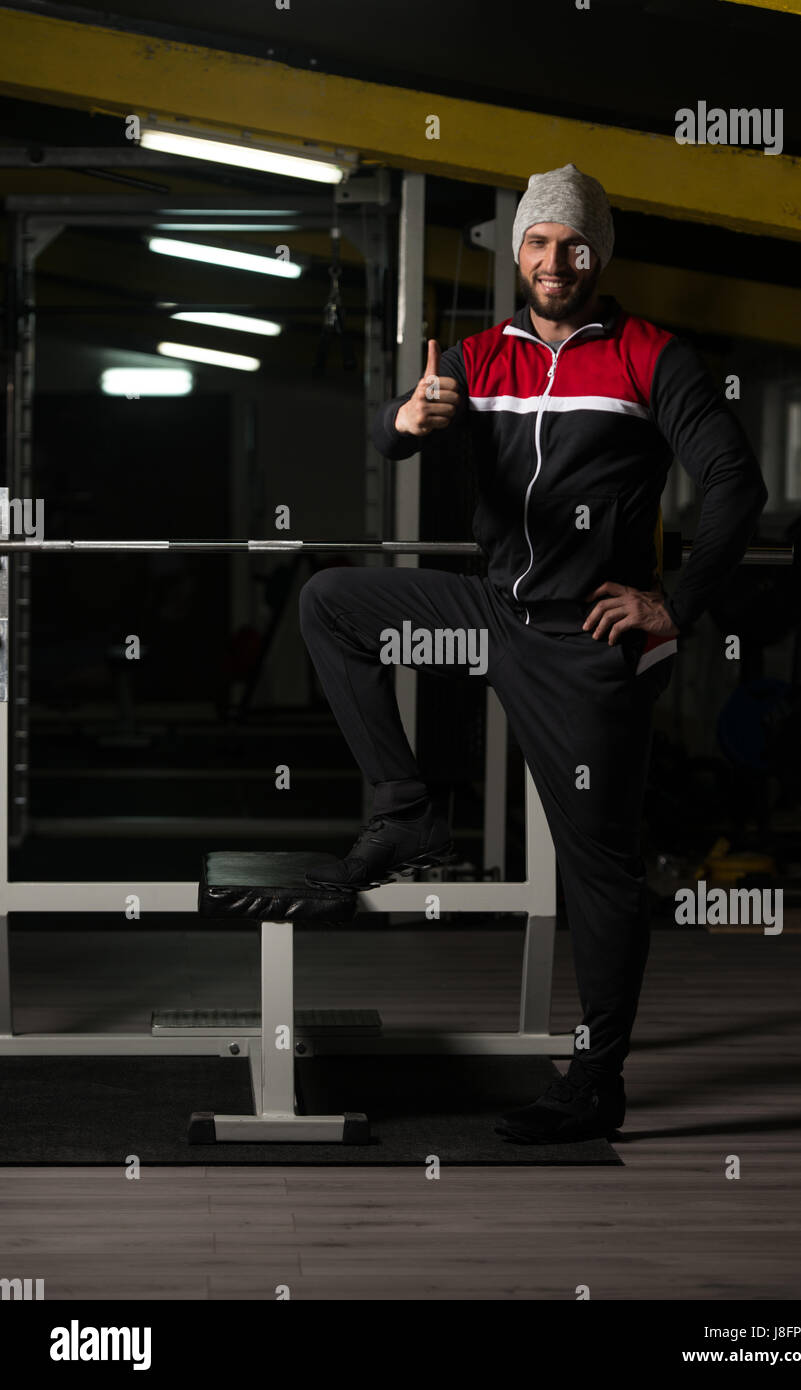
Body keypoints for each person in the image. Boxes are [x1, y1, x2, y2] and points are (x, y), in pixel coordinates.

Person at [299, 163, 767, 1144]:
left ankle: (595, 1082)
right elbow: (393, 439)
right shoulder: (476, 358)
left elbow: (732, 480)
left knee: (597, 874)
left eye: (574, 245)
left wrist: (672, 603)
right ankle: (405, 811)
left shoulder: (649, 357)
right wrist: (405, 420)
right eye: (540, 244)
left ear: (599, 255)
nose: (556, 262)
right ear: (517, 253)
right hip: (491, 614)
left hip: (587, 647)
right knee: (331, 603)